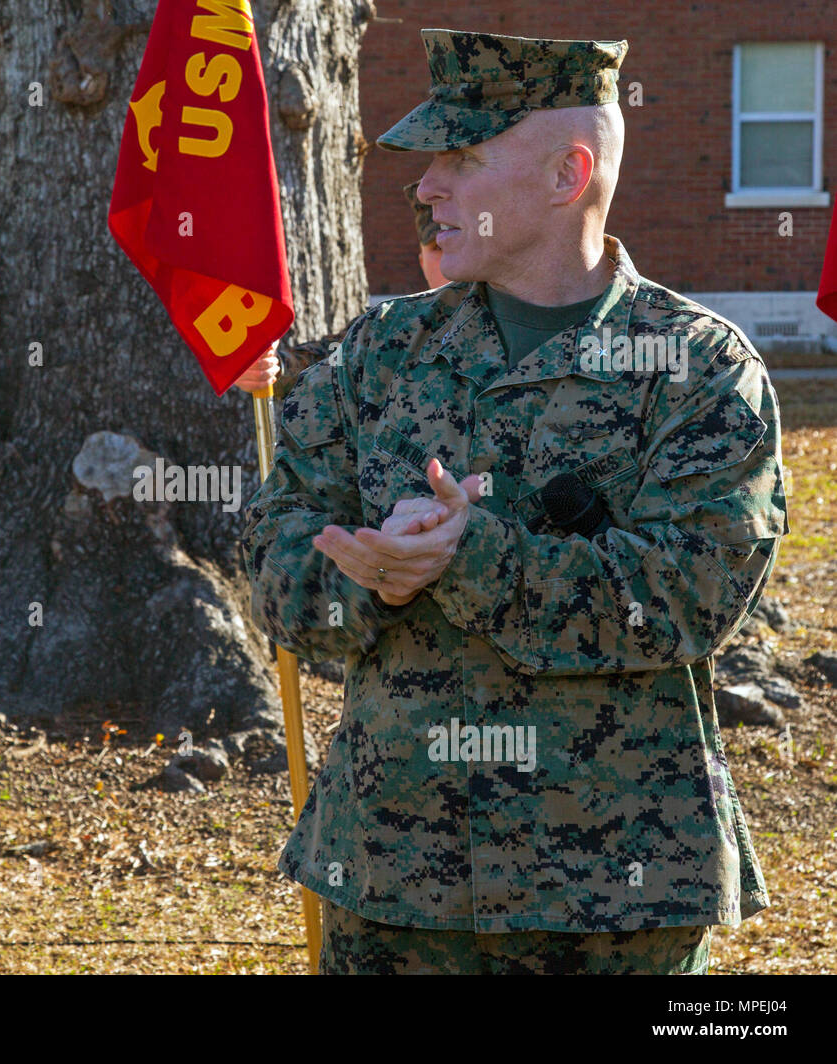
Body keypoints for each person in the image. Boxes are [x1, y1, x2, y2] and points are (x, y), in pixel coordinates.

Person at [242, 29, 788, 974]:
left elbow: (682, 598)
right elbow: (272, 551)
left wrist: (470, 557)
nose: (426, 187)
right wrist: (366, 572)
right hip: (393, 879)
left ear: (566, 175)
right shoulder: (382, 352)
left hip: (614, 898)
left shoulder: (699, 369)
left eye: (464, 157)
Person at [232, 183, 448, 399]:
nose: (448, 257)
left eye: (456, 241)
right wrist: (271, 368)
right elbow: (330, 360)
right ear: (422, 262)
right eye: (436, 248)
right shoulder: (394, 327)